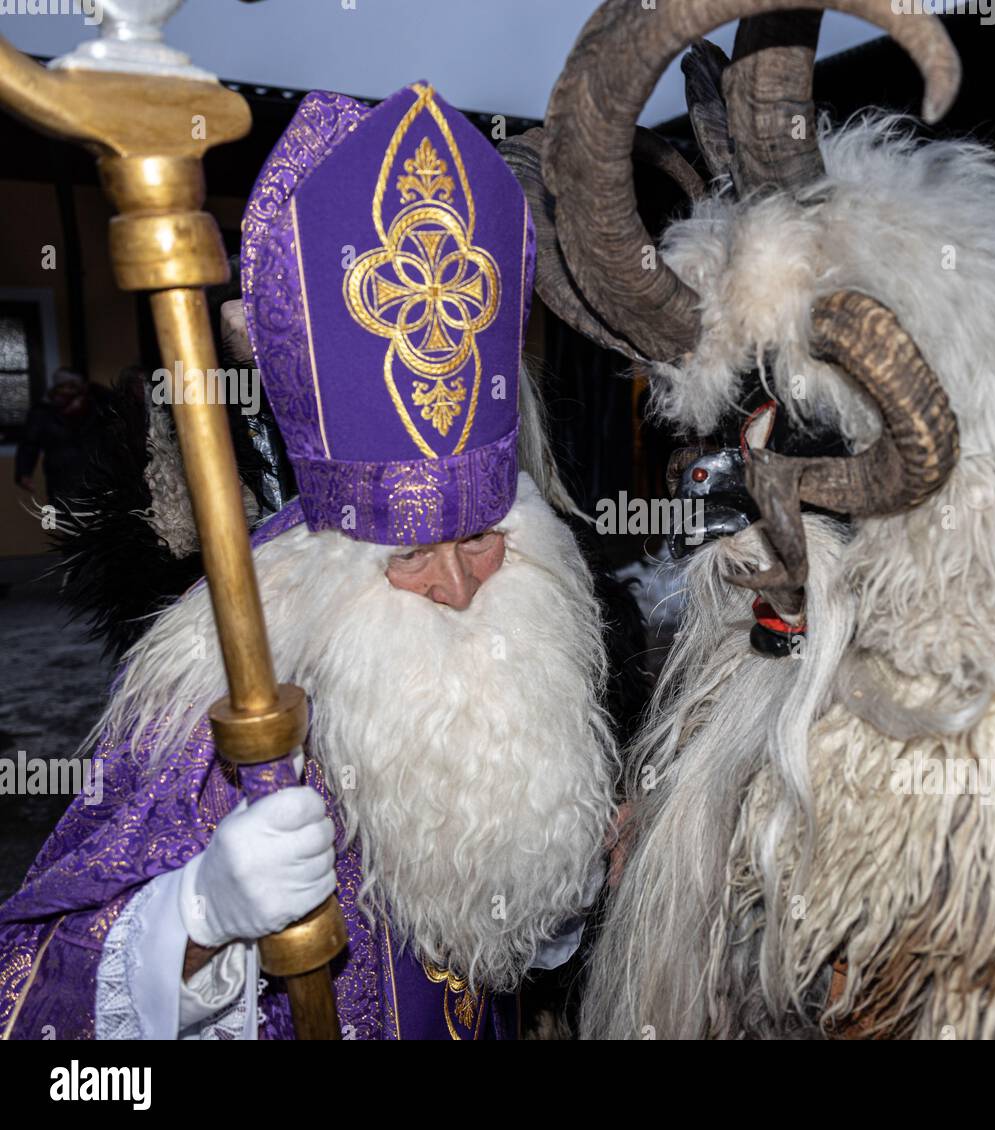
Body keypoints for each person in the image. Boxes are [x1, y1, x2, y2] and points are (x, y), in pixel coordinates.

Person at [0, 81, 615, 1040]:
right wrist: (197, 922)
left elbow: (519, 957)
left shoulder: (536, 641)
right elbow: (32, 1002)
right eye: (409, 554)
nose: (456, 589)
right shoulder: (224, 701)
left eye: (483, 540)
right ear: (331, 561)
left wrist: (553, 880)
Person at [15, 369, 108, 513]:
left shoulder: (92, 406)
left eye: (72, 386)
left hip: (94, 475)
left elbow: (113, 409)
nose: (67, 390)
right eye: (63, 385)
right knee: (69, 520)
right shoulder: (43, 411)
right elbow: (30, 443)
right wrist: (24, 472)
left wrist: (95, 389)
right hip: (61, 476)